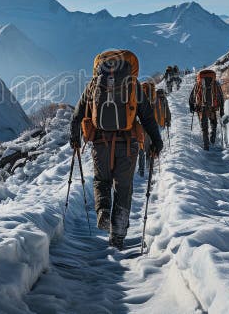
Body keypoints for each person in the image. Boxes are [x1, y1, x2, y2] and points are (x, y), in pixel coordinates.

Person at [70, 50, 164, 250]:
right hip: (128, 144)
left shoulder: (94, 85)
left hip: (100, 143)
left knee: (101, 181)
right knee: (123, 188)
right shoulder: (133, 85)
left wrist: (75, 138)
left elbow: (77, 115)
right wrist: (156, 141)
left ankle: (103, 210)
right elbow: (147, 117)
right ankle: (118, 236)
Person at [188, 69, 224, 151]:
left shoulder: (198, 83)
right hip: (213, 108)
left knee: (204, 127)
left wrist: (192, 106)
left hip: (202, 108)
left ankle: (206, 146)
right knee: (213, 123)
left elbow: (192, 97)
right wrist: (222, 110)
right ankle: (212, 138)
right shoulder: (216, 83)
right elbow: (221, 97)